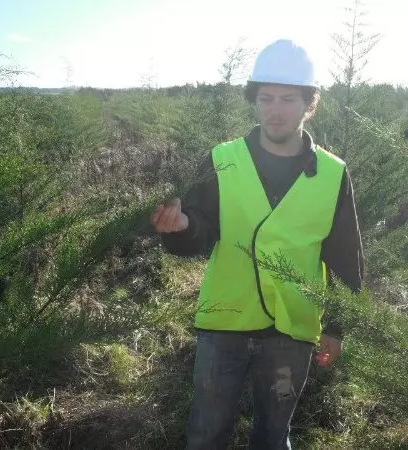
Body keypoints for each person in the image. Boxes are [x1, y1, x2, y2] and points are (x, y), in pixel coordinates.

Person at [150, 39, 364, 450]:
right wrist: (180, 227)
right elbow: (201, 230)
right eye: (266, 98)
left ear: (308, 103)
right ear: (255, 100)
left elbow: (345, 258)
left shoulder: (334, 175)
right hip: (223, 323)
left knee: (272, 437)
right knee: (205, 434)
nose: (275, 109)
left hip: (291, 329)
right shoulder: (222, 159)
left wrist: (336, 327)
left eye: (288, 98)